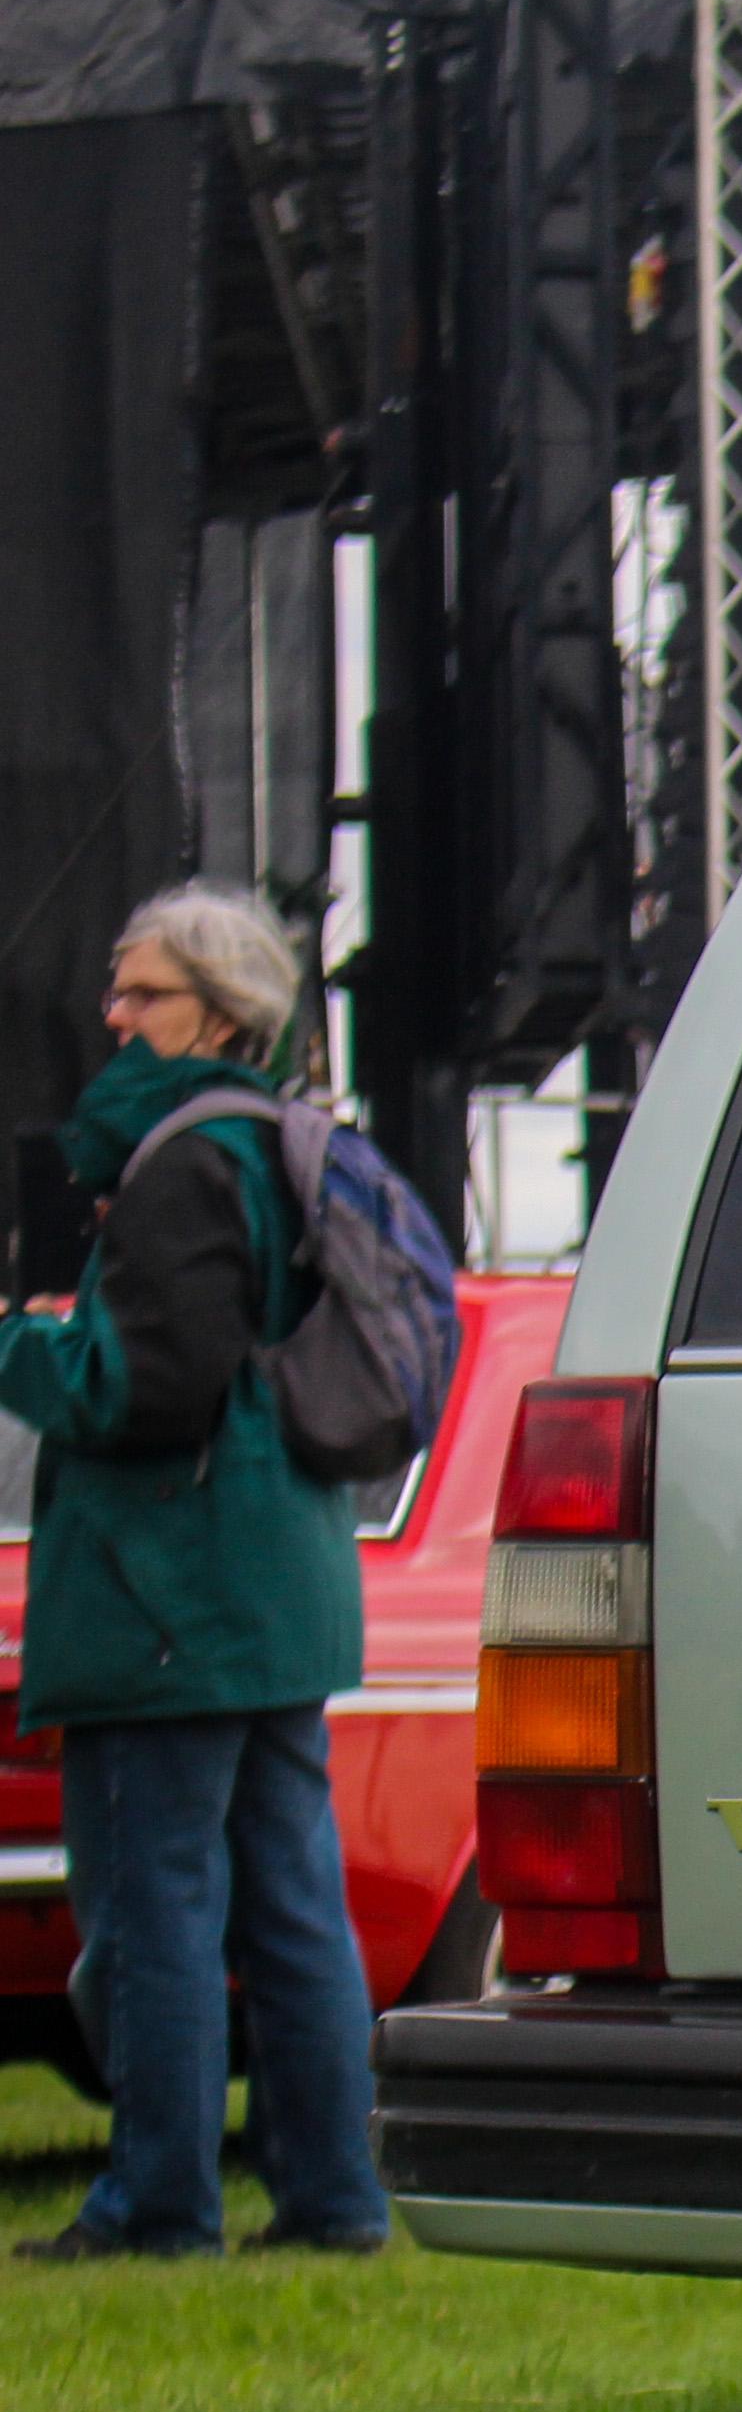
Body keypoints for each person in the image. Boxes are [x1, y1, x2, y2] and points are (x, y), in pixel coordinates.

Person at [5, 885, 382, 2260]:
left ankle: (159, 2206)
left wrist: (15, 1347)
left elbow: (149, 1390)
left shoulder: (177, 1163)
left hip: (170, 1593)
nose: (112, 1014)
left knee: (153, 1912)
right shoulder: (281, 1140)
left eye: (142, 992)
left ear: (219, 1016)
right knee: (291, 1908)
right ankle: (336, 2198)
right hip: (276, 1585)